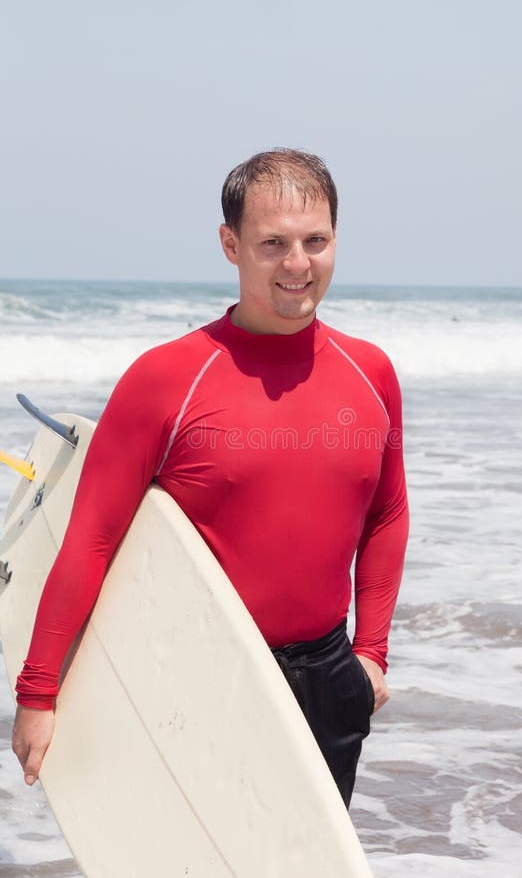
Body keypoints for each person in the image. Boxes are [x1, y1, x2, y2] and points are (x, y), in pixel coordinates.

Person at [12, 149, 409, 808]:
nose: (297, 264)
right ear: (230, 244)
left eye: (316, 241)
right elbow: (91, 540)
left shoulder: (371, 373)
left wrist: (370, 655)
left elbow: (387, 513)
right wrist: (38, 693)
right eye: (272, 244)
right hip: (197, 669)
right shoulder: (166, 378)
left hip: (326, 677)